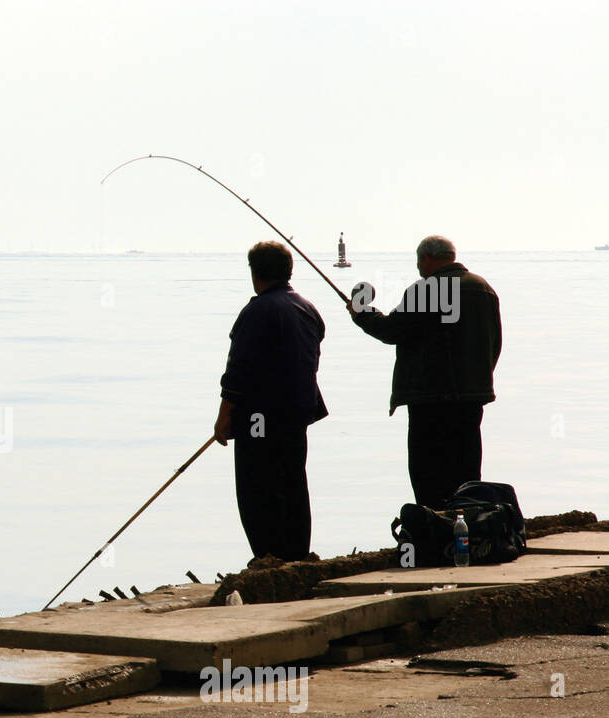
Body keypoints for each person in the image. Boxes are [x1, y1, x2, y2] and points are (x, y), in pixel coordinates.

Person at [347, 235, 501, 510]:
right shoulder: (483, 288)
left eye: (419, 262)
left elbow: (392, 330)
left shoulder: (429, 290)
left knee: (428, 476)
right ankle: (468, 532)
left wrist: (361, 313)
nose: (419, 268)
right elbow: (495, 343)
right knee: (466, 474)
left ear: (426, 259)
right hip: (472, 399)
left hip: (430, 402)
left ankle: (435, 535)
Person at [214, 241, 328, 562]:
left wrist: (224, 417)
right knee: (292, 485)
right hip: (296, 415)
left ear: (256, 273)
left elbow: (237, 372)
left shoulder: (257, 311)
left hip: (259, 419)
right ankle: (294, 555)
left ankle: (268, 557)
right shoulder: (308, 309)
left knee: (256, 490)